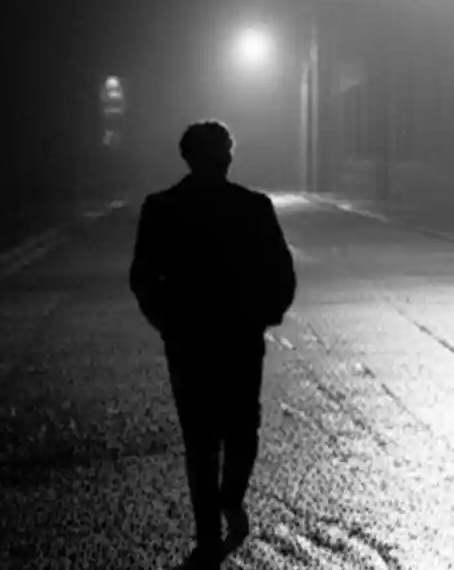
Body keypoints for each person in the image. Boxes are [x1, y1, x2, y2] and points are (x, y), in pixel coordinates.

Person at [129, 119, 297, 570]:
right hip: (240, 339)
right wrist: (265, 314)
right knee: (242, 429)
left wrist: (168, 322)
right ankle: (230, 501)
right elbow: (281, 271)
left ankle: (208, 535)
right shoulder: (253, 207)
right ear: (226, 156)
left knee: (200, 440)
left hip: (189, 341)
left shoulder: (161, 208)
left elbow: (143, 278)